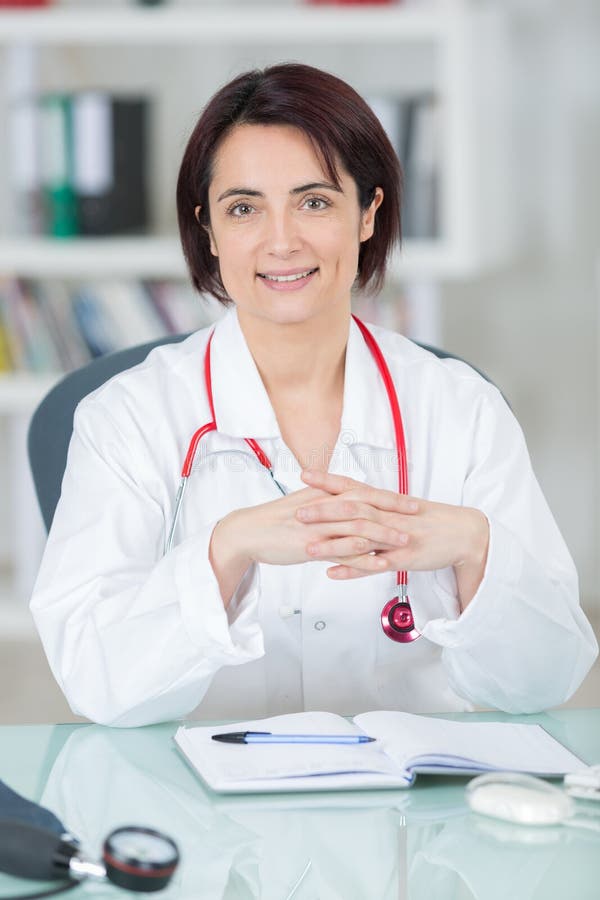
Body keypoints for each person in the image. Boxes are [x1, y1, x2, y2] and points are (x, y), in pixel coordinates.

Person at [30, 63, 597, 727]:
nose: (281, 241)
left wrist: (476, 549)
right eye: (243, 208)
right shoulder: (128, 417)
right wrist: (225, 551)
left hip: (409, 816)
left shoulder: (458, 408)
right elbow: (97, 686)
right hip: (202, 815)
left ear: (368, 213)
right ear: (208, 230)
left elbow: (545, 681)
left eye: (315, 201)